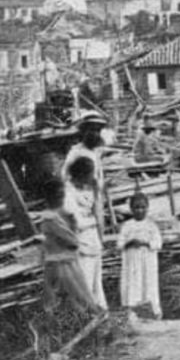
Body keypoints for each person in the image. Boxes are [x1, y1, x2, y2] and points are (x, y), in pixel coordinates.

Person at [39, 178, 100, 314]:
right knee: (78, 297)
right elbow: (72, 241)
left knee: (64, 299)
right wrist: (73, 226)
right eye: (59, 195)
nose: (61, 198)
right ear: (51, 197)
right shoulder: (52, 219)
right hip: (63, 264)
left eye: (62, 195)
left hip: (59, 260)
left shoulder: (53, 216)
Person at [64, 157, 108, 310]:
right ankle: (86, 313)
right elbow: (74, 221)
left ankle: (100, 310)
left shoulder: (88, 189)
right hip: (80, 240)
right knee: (85, 279)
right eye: (91, 174)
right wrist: (93, 221)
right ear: (81, 174)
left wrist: (97, 194)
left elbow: (98, 212)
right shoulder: (68, 192)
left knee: (97, 280)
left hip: (93, 239)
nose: (93, 177)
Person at [117, 193, 163, 320]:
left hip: (147, 261)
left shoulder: (151, 225)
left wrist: (145, 243)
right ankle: (132, 312)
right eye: (136, 207)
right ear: (131, 209)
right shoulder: (127, 226)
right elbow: (119, 244)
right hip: (132, 262)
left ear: (147, 208)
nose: (140, 210)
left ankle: (152, 312)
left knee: (148, 284)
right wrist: (129, 242)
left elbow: (158, 243)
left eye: (143, 207)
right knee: (132, 284)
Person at [61, 112, 106, 187]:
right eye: (92, 130)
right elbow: (69, 182)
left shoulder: (94, 152)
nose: (95, 134)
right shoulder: (78, 153)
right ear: (83, 131)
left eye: (98, 130)